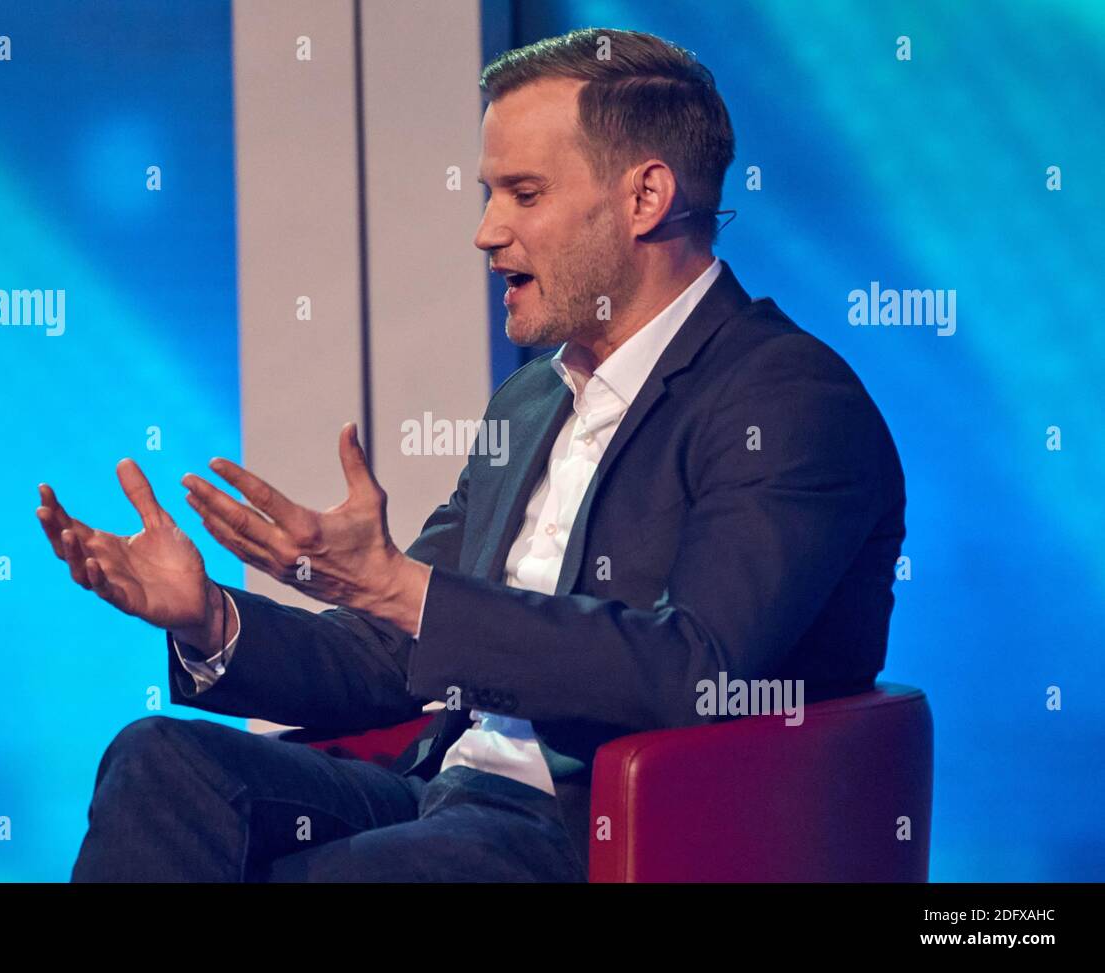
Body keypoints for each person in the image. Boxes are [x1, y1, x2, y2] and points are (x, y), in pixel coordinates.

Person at [45, 27, 906, 882]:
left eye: (524, 194)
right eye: (491, 194)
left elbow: (696, 669)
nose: (486, 232)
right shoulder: (529, 401)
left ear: (646, 197)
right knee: (160, 761)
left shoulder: (786, 397)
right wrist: (210, 621)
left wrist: (402, 587)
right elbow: (401, 648)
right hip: (442, 792)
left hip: (598, 833)